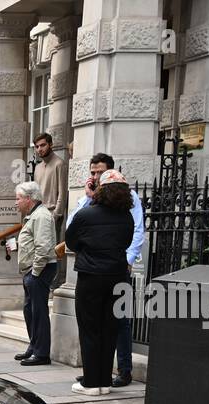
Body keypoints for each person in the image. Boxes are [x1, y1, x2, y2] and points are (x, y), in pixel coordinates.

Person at [66, 152, 145, 388]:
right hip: (116, 273)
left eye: (99, 172)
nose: (95, 177)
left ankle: (100, 378)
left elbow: (71, 238)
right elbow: (129, 235)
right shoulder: (124, 217)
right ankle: (101, 377)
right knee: (109, 327)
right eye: (93, 172)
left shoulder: (88, 212)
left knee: (93, 327)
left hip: (93, 275)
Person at [11, 180, 57, 367]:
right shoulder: (33, 216)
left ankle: (41, 353)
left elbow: (44, 247)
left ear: (29, 199)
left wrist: (35, 272)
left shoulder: (41, 217)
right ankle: (34, 346)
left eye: (18, 198)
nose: (16, 202)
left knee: (38, 312)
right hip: (32, 270)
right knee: (29, 311)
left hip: (39, 270)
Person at [32, 132, 67, 289]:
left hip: (53, 215)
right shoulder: (38, 167)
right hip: (38, 214)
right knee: (38, 249)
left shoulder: (59, 164)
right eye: (37, 146)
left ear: (50, 144)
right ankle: (41, 282)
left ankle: (55, 284)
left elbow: (63, 193)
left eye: (43, 145)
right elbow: (35, 194)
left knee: (53, 251)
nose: (40, 149)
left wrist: (56, 215)